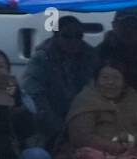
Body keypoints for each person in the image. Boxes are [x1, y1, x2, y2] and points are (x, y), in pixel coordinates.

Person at [63, 61, 137, 159]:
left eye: (116, 78)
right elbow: (81, 136)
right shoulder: (85, 100)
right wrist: (114, 147)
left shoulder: (134, 100)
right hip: (97, 154)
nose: (110, 82)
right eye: (105, 78)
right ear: (96, 80)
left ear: (124, 82)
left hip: (135, 154)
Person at [22, 16, 99, 147]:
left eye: (78, 36)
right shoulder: (41, 58)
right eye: (67, 36)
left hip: (83, 119)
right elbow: (34, 95)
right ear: (55, 36)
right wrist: (58, 128)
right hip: (48, 123)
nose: (73, 40)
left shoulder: (91, 56)